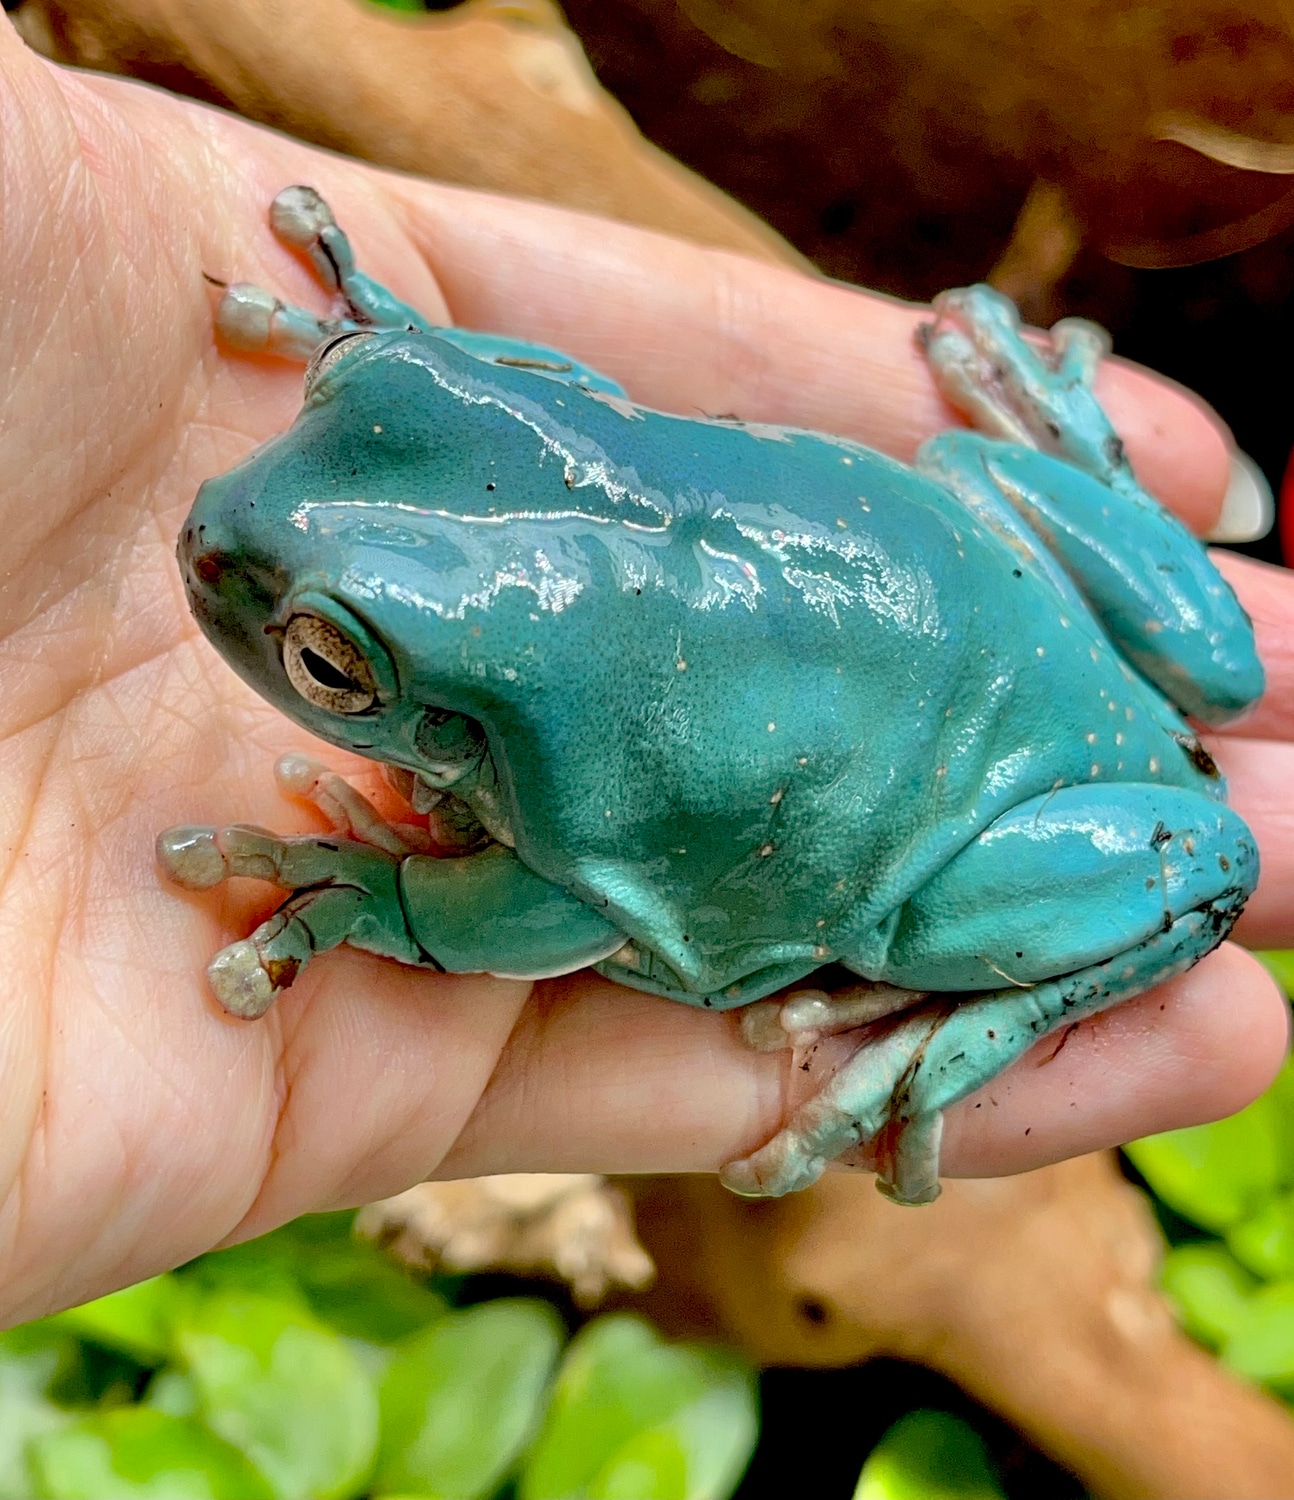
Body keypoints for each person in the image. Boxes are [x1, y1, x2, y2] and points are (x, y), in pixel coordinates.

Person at [0, 17, 1287, 1326]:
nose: (227, 520)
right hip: (974, 577)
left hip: (986, 820)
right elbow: (549, 405)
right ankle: (1073, 464)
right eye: (360, 379)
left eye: (331, 663)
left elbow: (569, 905)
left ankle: (987, 999)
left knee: (931, 914)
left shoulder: (546, 781)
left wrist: (390, 900)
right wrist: (386, 353)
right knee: (1087, 566)